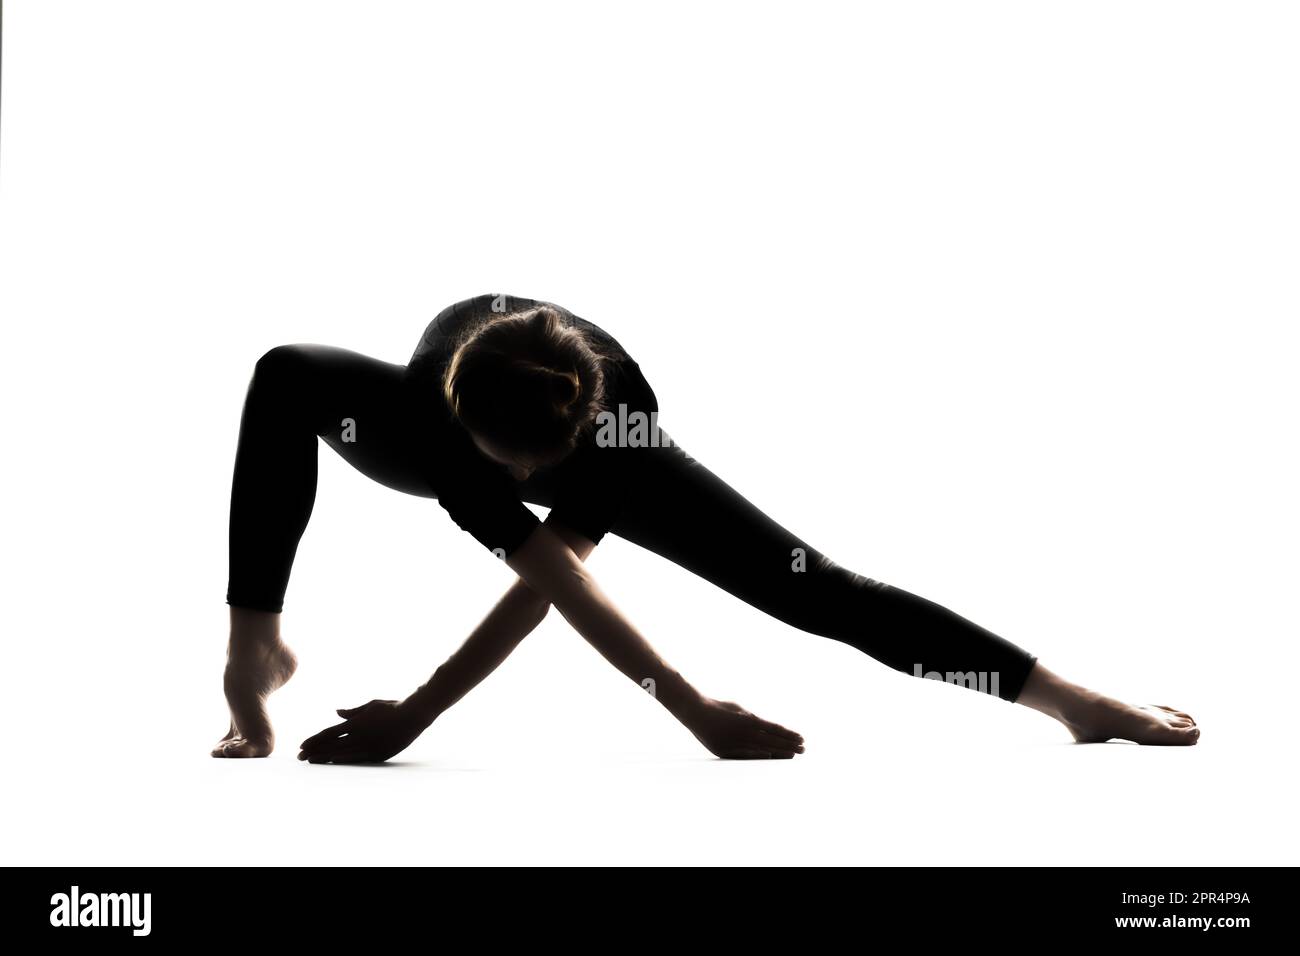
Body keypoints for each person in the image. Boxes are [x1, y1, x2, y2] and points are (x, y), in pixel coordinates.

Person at [213, 293, 1200, 762]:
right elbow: (546, 562)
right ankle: (255, 644)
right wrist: (259, 617)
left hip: (588, 442)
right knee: (287, 375)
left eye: (528, 472)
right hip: (433, 423)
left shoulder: (621, 419)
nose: (516, 486)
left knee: (818, 588)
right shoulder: (436, 424)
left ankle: (1068, 697)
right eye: (504, 469)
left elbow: (554, 578)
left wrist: (691, 708)